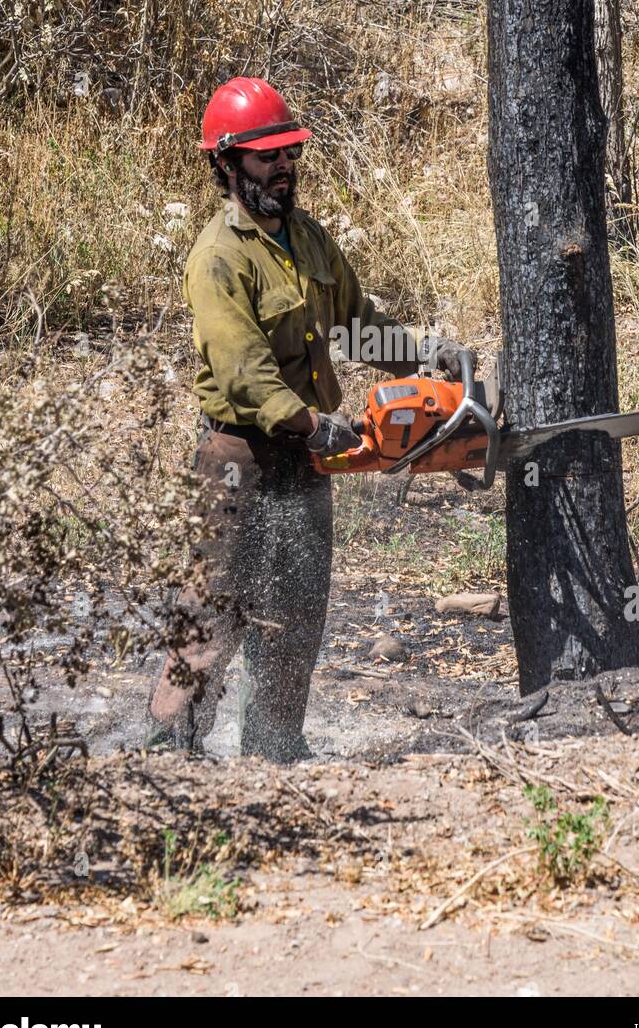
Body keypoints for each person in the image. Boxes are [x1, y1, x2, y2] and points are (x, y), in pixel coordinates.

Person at [147, 77, 475, 760]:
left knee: (295, 615)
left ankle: (274, 749)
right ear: (227, 163)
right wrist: (311, 423)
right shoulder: (218, 256)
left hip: (309, 455)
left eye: (288, 153)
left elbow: (358, 328)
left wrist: (426, 359)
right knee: (215, 609)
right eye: (267, 157)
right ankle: (167, 750)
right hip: (240, 456)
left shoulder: (310, 239)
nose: (283, 167)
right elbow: (241, 369)